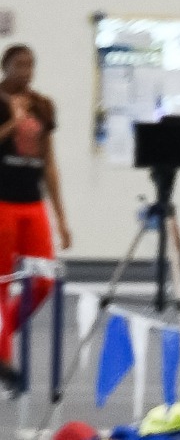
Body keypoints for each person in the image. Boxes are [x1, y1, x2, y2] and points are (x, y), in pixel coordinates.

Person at [0, 45, 67, 387]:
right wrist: (12, 120)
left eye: (31, 64)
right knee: (1, 285)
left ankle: (3, 334)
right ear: (5, 67)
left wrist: (61, 217)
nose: (26, 71)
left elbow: (49, 164)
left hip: (32, 204)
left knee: (43, 280)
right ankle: (5, 357)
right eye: (19, 65)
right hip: (2, 204)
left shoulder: (42, 106)